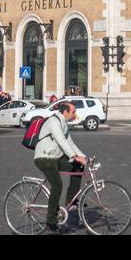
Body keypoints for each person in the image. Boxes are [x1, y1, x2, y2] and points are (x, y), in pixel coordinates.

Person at [32, 100, 87, 233]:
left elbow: (70, 143)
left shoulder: (63, 124)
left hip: (56, 158)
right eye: (73, 111)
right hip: (44, 158)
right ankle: (51, 221)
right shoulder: (53, 122)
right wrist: (74, 156)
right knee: (57, 185)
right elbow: (61, 141)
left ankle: (71, 201)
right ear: (65, 112)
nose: (75, 114)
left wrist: (83, 157)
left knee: (78, 167)